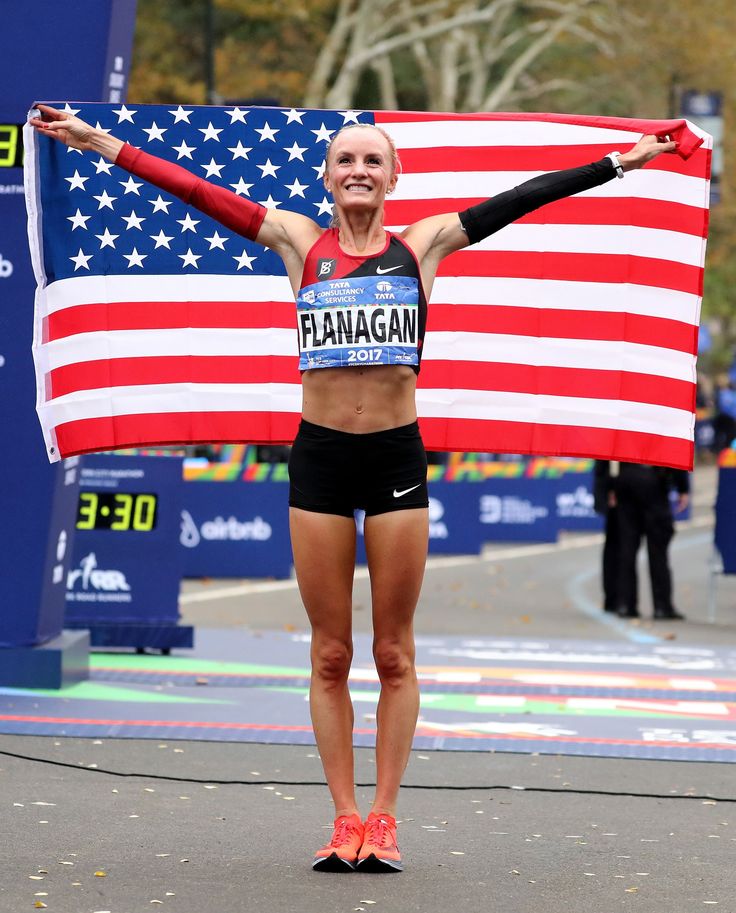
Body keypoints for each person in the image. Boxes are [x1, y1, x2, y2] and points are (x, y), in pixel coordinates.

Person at [30, 104, 676, 872]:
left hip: (397, 457)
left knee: (394, 651)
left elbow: (523, 198)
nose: (359, 170)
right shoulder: (299, 241)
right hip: (322, 460)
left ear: (394, 176)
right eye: (346, 160)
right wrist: (99, 142)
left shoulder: (425, 242)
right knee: (331, 652)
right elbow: (197, 192)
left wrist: (622, 162)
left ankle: (386, 815)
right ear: (328, 178)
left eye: (373, 159)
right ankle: (344, 816)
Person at [602, 461, 689, 620]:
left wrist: (611, 485)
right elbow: (673, 452)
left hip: (625, 479)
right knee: (657, 549)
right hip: (653, 479)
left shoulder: (626, 434)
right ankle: (662, 607)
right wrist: (682, 487)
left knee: (627, 548)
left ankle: (625, 604)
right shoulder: (663, 435)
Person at [593, 460, 621, 613]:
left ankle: (622, 600)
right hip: (616, 495)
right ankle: (614, 599)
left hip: (626, 490)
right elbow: (601, 468)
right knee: (615, 548)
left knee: (621, 548)